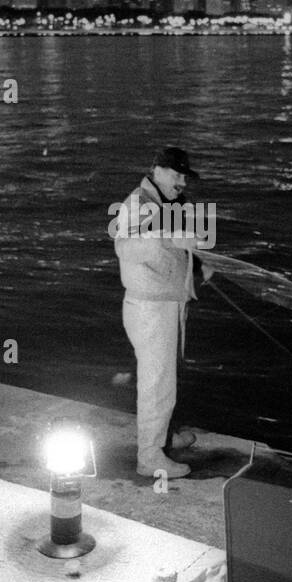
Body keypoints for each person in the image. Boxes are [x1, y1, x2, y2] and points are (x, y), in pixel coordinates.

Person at [112, 147, 212, 479]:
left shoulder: (168, 203)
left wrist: (199, 263)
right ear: (157, 170)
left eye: (185, 176)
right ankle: (151, 456)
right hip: (150, 308)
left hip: (168, 305)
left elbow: (181, 246)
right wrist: (170, 239)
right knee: (157, 384)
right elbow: (124, 245)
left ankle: (165, 437)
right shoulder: (139, 204)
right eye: (176, 175)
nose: (182, 182)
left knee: (167, 375)